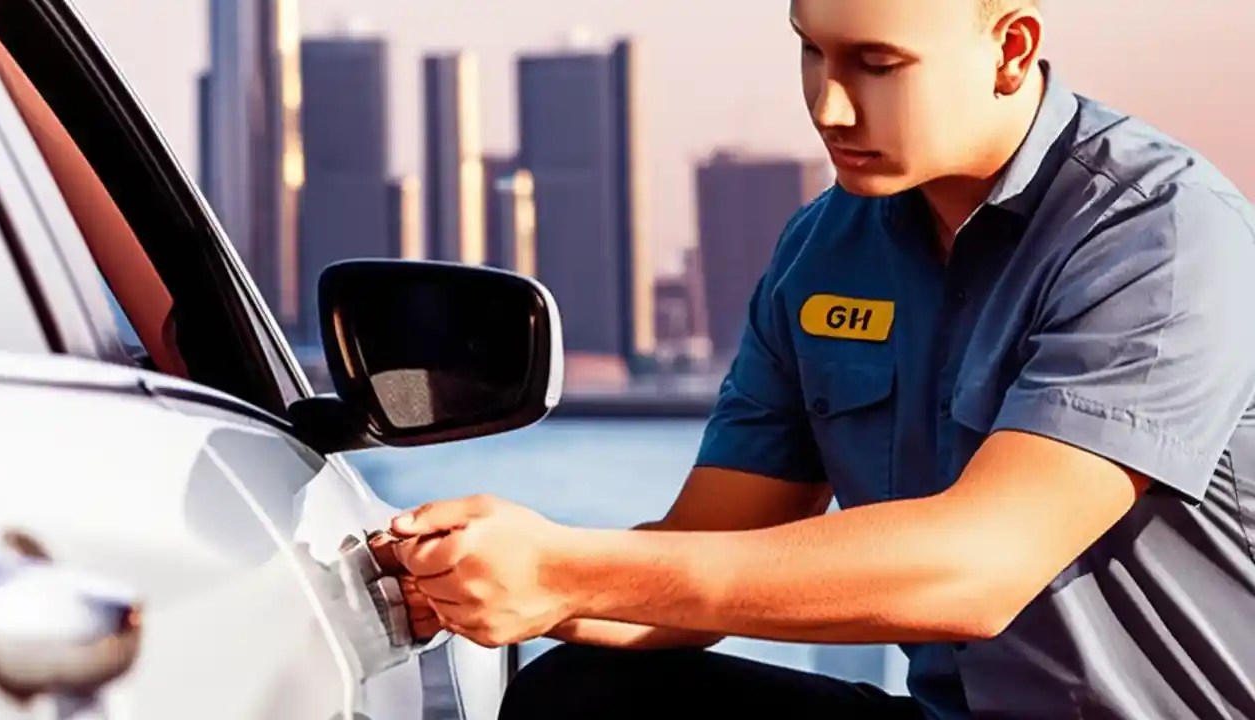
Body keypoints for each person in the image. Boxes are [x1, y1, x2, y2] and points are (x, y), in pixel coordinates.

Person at [388, 0, 1255, 717]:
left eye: (877, 64)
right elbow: (704, 550)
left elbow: (979, 570)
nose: (829, 106)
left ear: (1010, 49)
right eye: (811, 51)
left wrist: (566, 569)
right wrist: (475, 576)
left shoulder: (1161, 235)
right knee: (588, 697)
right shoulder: (820, 251)